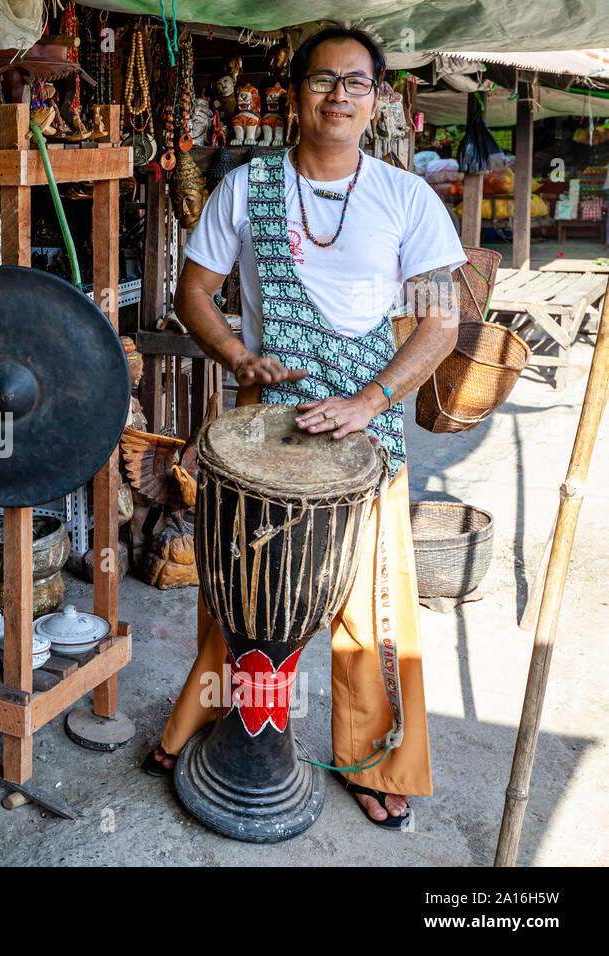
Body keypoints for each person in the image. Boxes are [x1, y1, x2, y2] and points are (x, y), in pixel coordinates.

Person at [148, 25, 465, 829]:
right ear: (293, 95)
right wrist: (233, 354)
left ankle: (376, 758)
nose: (339, 96)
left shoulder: (407, 198)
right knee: (239, 595)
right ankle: (209, 727)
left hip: (367, 438)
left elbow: (438, 327)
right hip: (266, 439)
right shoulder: (245, 188)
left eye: (356, 83)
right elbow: (194, 292)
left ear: (378, 99)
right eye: (322, 81)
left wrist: (369, 402)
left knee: (374, 614)